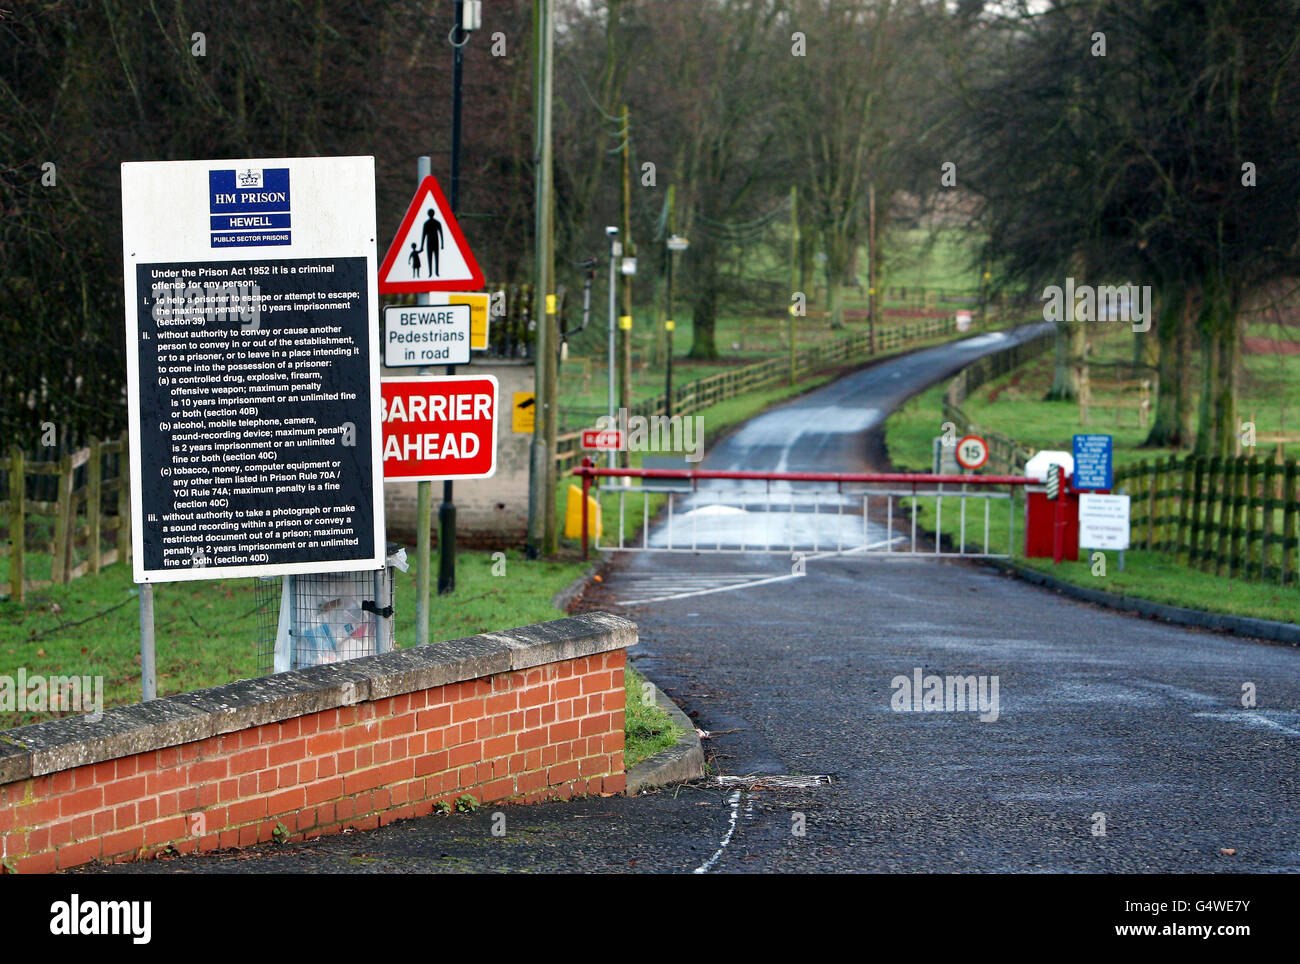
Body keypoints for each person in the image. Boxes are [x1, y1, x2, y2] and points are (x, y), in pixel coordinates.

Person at [420, 208, 444, 277]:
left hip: (432, 242)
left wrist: (442, 244)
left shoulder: (433, 223)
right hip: (432, 241)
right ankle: (431, 273)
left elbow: (441, 233)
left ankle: (435, 272)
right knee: (432, 257)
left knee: (434, 257)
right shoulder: (430, 223)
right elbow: (424, 235)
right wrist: (422, 246)